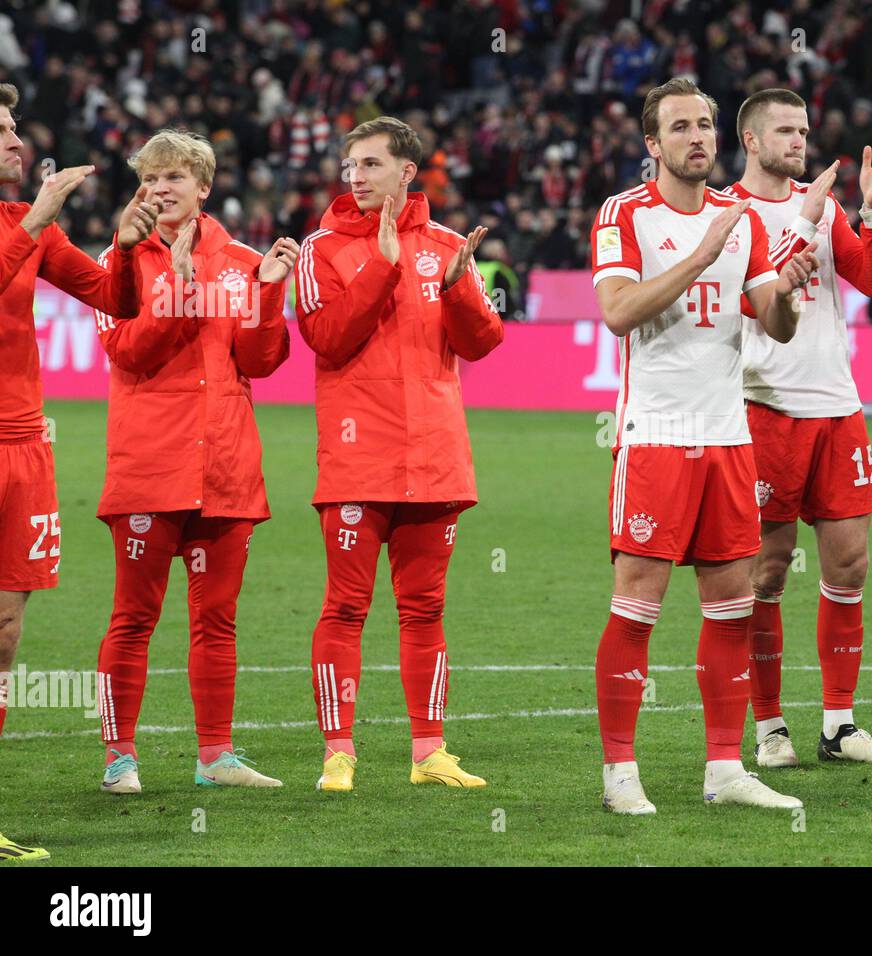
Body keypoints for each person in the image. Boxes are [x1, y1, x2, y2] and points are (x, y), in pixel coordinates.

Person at [590, 77, 818, 814]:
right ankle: (620, 773)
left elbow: (770, 324)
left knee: (733, 608)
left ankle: (724, 768)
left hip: (728, 438)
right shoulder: (625, 214)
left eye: (706, 125)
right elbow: (619, 312)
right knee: (636, 609)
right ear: (652, 144)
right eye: (680, 126)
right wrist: (700, 255)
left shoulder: (739, 216)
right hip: (656, 439)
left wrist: (783, 288)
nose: (698, 137)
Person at [296, 116, 502, 793]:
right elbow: (327, 337)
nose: (354, 176)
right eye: (350, 164)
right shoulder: (320, 249)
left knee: (425, 611)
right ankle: (338, 752)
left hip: (435, 459)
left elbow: (481, 343)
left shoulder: (445, 244)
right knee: (344, 607)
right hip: (358, 461)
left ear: (408, 171)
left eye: (370, 164)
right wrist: (383, 266)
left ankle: (429, 753)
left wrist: (459, 288)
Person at [92, 130, 296, 794]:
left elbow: (263, 362)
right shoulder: (116, 260)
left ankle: (215, 756)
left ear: (204, 186)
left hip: (226, 468)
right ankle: (119, 757)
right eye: (149, 179)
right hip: (149, 466)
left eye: (174, 176)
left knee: (217, 619)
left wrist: (269, 295)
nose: (159, 189)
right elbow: (127, 354)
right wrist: (174, 293)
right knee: (134, 616)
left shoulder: (242, 261)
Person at [724, 88, 872, 768]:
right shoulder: (727, 214)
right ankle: (770, 729)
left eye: (803, 129)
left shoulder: (826, 205)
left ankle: (839, 724)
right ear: (750, 139)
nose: (799, 140)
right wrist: (800, 225)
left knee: (849, 565)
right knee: (766, 574)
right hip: (765, 408)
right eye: (784, 130)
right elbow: (744, 311)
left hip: (837, 407)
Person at [0, 81, 152, 861]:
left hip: (23, 446)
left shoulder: (25, 228)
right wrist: (34, 221)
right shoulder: (24, 225)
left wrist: (124, 247)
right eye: (1, 131)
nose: (17, 143)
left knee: (5, 631)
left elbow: (109, 300)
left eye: (15, 127)